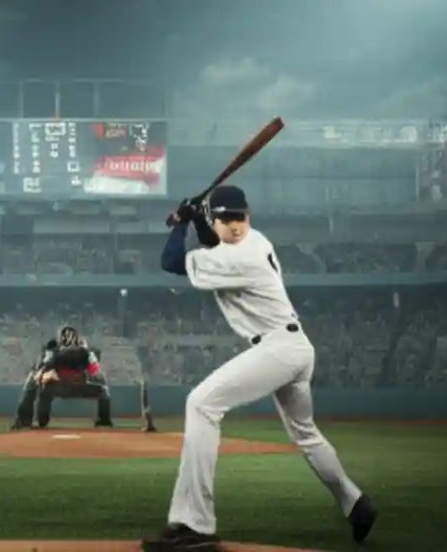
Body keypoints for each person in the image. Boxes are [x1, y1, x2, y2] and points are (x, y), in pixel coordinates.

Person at [142, 185, 376, 551]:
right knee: (306, 434)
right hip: (294, 346)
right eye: (226, 218)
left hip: (278, 348)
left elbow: (171, 262)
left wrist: (181, 224)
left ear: (248, 217)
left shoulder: (241, 258)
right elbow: (213, 243)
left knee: (201, 404)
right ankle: (355, 503)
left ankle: (194, 525)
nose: (235, 225)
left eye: (240, 217)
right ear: (216, 220)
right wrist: (195, 220)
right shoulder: (256, 242)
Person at [10, 324, 114, 429]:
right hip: (68, 385)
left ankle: (31, 421)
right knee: (103, 391)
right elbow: (97, 374)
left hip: (62, 386)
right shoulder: (85, 353)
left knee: (41, 390)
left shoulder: (58, 352)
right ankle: (104, 421)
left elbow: (97, 374)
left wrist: (41, 376)